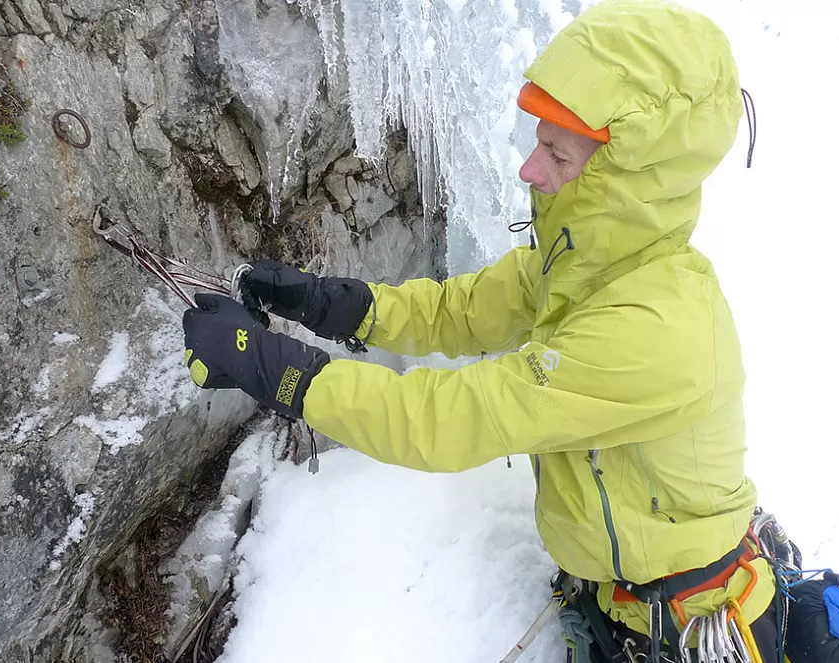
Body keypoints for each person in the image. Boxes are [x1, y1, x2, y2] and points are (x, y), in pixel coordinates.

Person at [182, 1, 778, 661]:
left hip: (686, 628)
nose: (529, 170)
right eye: (537, 141)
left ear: (623, 181)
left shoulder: (654, 330)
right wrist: (333, 304)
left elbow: (456, 417)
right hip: (621, 596)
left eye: (556, 153)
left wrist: (274, 367)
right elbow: (464, 310)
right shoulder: (588, 264)